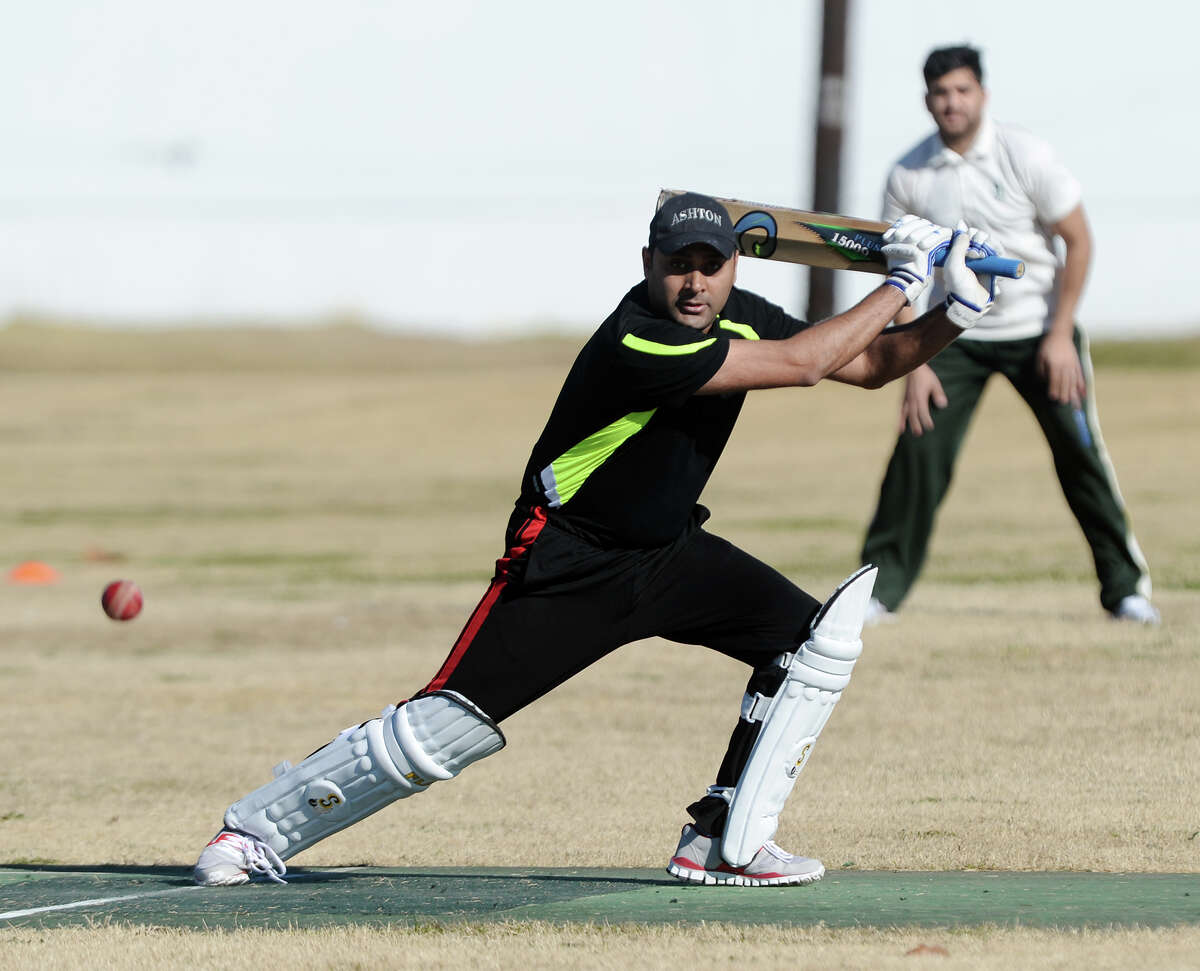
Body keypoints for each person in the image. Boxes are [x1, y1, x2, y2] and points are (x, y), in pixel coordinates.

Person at [193, 192, 998, 889]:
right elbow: (804, 364)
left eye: (709, 264)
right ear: (649, 262)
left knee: (808, 643)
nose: (694, 280)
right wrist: (899, 278)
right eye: (678, 262)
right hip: (570, 558)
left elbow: (866, 365)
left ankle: (722, 839)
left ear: (733, 269)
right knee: (450, 729)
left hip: (667, 552)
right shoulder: (640, 333)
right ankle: (254, 831)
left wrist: (952, 311)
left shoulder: (734, 311)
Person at [858, 45, 1158, 627]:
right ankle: (880, 593)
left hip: (1037, 331)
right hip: (951, 335)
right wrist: (911, 363)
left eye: (963, 90)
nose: (952, 102)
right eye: (941, 93)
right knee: (917, 453)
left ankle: (1126, 590)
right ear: (928, 101)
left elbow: (1079, 239)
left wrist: (1060, 333)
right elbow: (895, 269)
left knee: (1080, 454)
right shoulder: (908, 174)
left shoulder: (1025, 155)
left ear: (982, 95)